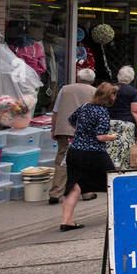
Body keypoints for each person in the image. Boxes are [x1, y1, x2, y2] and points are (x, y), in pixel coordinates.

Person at [59, 82, 119, 231]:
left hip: (75, 151)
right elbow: (100, 137)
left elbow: (71, 121)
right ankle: (119, 215)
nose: (115, 97)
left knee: (74, 185)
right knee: (115, 181)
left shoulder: (85, 106)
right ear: (109, 96)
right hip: (94, 153)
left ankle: (66, 220)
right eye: (114, 94)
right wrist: (112, 137)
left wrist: (83, 133)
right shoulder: (103, 112)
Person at [48, 68, 96, 204]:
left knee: (62, 159)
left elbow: (56, 111)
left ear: (78, 78)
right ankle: (86, 192)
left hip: (64, 130)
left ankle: (55, 193)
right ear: (92, 80)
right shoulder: (95, 92)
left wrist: (54, 129)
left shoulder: (65, 89)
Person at [108, 65, 137, 171]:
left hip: (109, 123)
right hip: (126, 125)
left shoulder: (109, 89)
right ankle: (122, 173)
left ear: (118, 76)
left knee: (110, 149)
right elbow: (136, 111)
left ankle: (110, 172)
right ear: (131, 78)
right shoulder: (132, 92)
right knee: (125, 151)